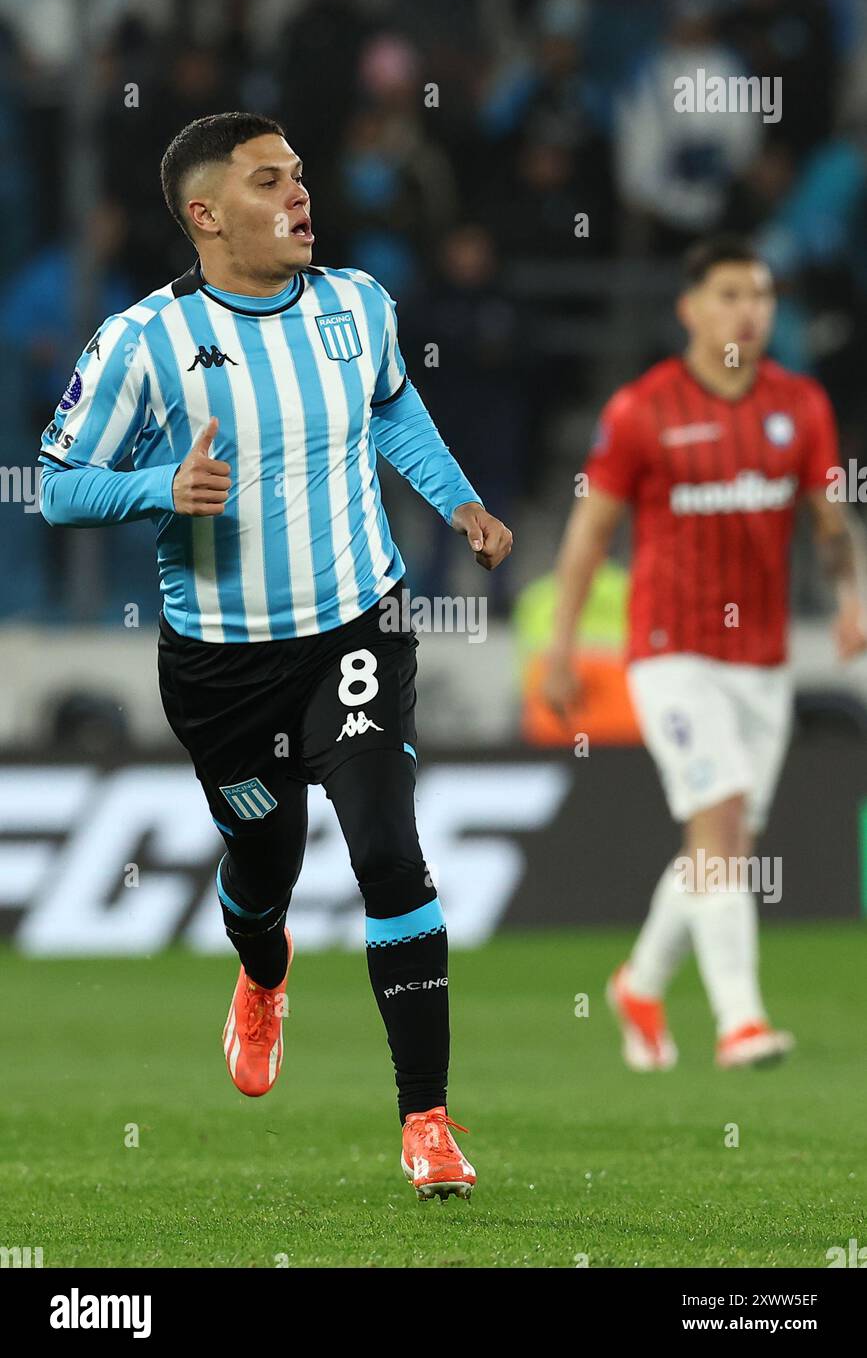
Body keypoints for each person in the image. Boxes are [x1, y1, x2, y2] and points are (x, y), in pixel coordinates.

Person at [38, 111, 512, 1199]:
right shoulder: (140, 343)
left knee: (389, 849)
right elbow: (58, 486)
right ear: (205, 215)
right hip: (221, 665)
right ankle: (263, 970)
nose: (300, 195)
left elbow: (392, 408)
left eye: (299, 173)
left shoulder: (358, 304)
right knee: (265, 865)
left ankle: (428, 1119)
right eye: (268, 181)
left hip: (359, 623)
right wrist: (160, 487)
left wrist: (461, 500)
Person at [543, 234, 866, 1071]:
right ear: (689, 309)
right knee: (719, 818)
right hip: (668, 650)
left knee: (718, 844)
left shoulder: (800, 404)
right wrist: (560, 646)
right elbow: (589, 533)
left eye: (758, 295)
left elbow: (829, 520)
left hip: (762, 660)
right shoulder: (641, 409)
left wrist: (850, 596)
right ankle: (740, 1022)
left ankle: (639, 984)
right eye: (728, 294)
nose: (747, 310)